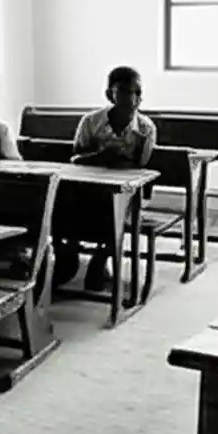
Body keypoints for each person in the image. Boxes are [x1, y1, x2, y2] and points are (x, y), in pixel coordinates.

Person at [53, 66, 156, 291]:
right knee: (61, 204)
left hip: (126, 192)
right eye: (126, 92)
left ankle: (100, 258)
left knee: (113, 209)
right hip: (87, 189)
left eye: (137, 92)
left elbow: (141, 166)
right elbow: (76, 158)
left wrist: (113, 161)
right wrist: (102, 156)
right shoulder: (91, 121)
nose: (133, 98)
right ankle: (67, 256)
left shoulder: (146, 128)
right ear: (110, 94)